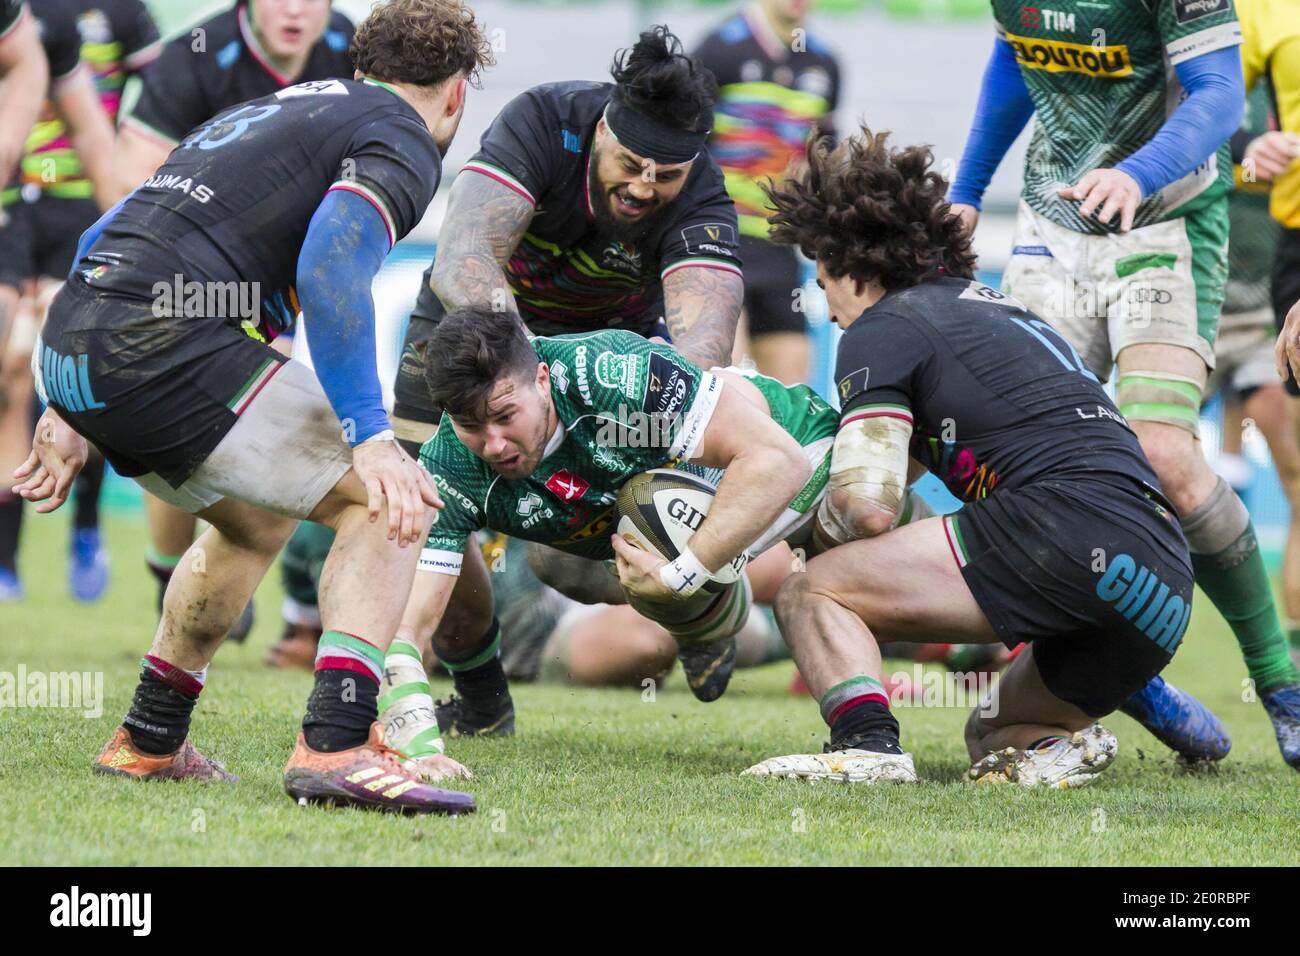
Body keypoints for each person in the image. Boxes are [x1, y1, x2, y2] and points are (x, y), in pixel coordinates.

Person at [12, 0, 493, 812]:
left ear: (359, 66)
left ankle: (150, 738)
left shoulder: (280, 107)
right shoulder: (403, 137)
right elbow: (330, 272)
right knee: (389, 500)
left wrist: (66, 400)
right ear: (457, 96)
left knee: (257, 519)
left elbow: (112, 227)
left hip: (77, 339)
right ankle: (337, 745)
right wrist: (371, 439)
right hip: (157, 345)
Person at [299, 26, 747, 736]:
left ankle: (704, 612)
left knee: (576, 562)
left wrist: (624, 395)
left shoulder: (704, 197)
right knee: (415, 514)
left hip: (602, 373)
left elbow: (704, 345)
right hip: (476, 340)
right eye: (630, 164)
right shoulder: (545, 122)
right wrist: (526, 370)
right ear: (602, 127)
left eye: (665, 176)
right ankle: (477, 700)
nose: (643, 186)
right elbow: (463, 257)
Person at [743, 128, 1200, 788]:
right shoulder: (1001, 316)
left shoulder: (885, 327)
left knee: (811, 591)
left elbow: (867, 506)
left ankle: (867, 746)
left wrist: (784, 547)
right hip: (1161, 584)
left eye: (823, 283)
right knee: (993, 736)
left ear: (857, 270)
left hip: (1064, 531)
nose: (830, 311)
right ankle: (1057, 751)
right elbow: (930, 464)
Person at [948, 0, 1300, 770]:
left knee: (1166, 461)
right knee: (1017, 469)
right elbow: (1016, 59)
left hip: (1166, 220)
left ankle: (1279, 683)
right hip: (1053, 224)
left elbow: (1218, 94)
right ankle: (1132, 681)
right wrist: (968, 188)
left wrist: (1135, 171)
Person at [375, 304, 860, 760]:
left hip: (806, 451)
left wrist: (684, 575)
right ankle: (702, 622)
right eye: (470, 425)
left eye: (505, 417)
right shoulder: (449, 465)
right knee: (558, 559)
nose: (494, 444)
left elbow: (778, 460)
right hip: (676, 522)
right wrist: (414, 746)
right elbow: (410, 626)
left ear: (542, 380)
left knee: (653, 518)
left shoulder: (613, 374)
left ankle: (860, 710)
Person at [114, 0, 355, 630]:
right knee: (179, 428)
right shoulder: (193, 56)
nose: (297, 10)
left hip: (276, 279)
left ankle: (231, 569)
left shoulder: (348, 48)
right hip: (181, 275)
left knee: (260, 422)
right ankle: (169, 564)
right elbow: (130, 179)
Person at [0, 0, 120, 602]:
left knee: (66, 368)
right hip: (18, 211)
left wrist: (128, 238)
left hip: (73, 214)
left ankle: (86, 526)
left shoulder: (59, 21)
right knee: (12, 371)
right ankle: (6, 559)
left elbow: (100, 132)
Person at [694, 0, 840, 384]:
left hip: (779, 247)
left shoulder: (825, 63)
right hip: (719, 242)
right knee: (722, 385)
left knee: (796, 399)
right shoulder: (717, 50)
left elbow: (825, 157)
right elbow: (684, 148)